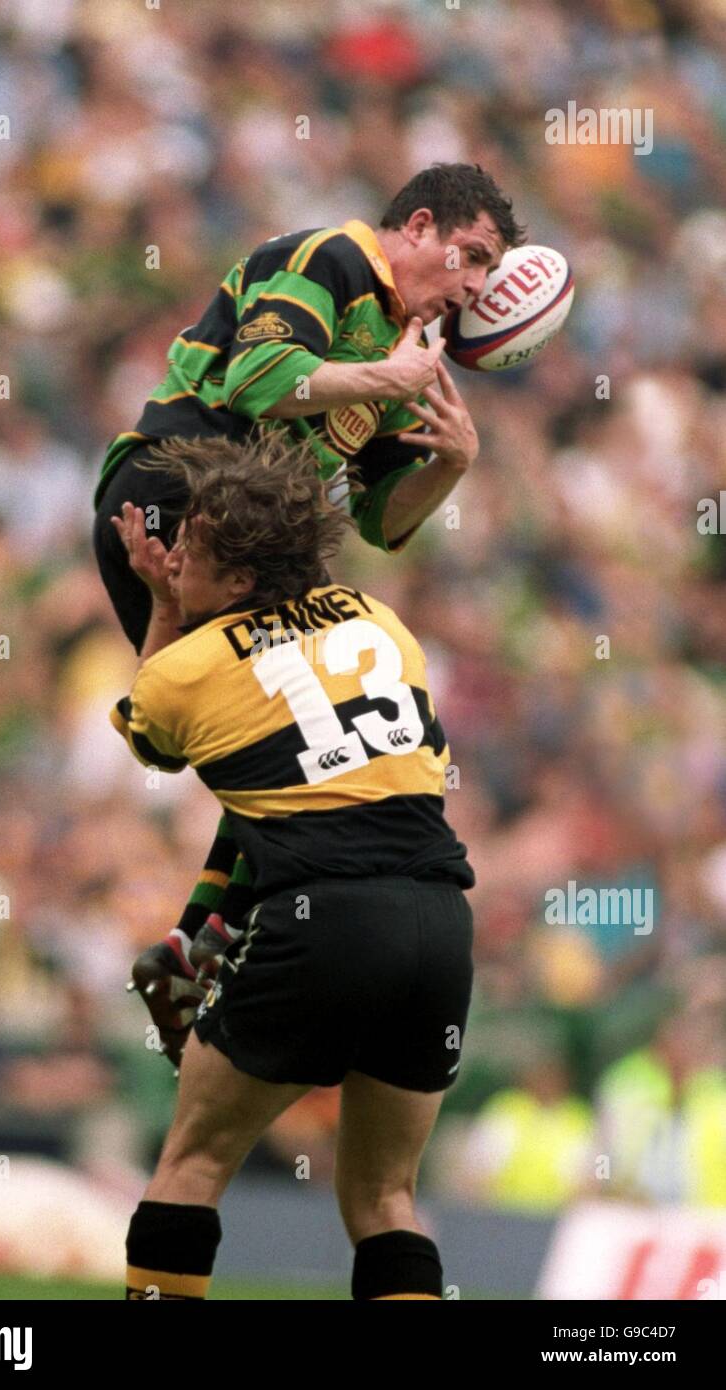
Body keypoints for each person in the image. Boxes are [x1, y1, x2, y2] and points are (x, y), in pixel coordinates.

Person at [96, 163, 522, 985]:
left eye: (487, 273)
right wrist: (387, 379)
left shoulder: (402, 349)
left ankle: (194, 944)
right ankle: (209, 936)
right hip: (175, 488)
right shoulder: (332, 257)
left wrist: (451, 468)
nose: (470, 287)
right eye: (468, 256)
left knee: (313, 738)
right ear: (420, 225)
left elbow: (380, 521)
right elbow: (258, 381)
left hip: (257, 534)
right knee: (293, 734)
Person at [110, 431, 475, 1301]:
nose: (172, 555)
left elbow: (151, 738)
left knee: (192, 1164)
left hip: (320, 925)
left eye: (188, 548)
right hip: (438, 927)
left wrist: (161, 603)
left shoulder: (186, 670)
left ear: (237, 580)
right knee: (385, 1197)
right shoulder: (378, 619)